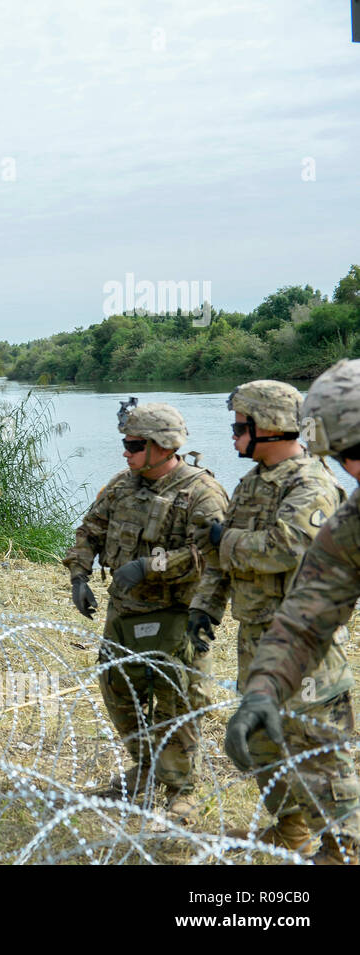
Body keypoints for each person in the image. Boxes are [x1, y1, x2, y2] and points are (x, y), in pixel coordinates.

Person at [190, 380, 347, 854]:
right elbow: (223, 559)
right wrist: (204, 607)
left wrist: (225, 540)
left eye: (241, 427)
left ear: (271, 427)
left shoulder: (311, 484)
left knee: (316, 752)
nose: (234, 436)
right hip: (255, 634)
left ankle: (344, 849)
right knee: (263, 744)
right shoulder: (254, 483)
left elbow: (288, 545)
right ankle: (292, 831)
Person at [63, 399, 228, 819]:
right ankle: (147, 768)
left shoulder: (201, 493)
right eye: (125, 442)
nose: (126, 451)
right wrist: (79, 576)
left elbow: (211, 554)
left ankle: (181, 789)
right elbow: (89, 530)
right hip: (124, 612)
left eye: (134, 444)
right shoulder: (122, 485)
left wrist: (149, 566)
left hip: (176, 613)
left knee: (177, 699)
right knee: (120, 693)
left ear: (161, 446)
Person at [225, 360, 360, 864]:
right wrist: (264, 690)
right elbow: (308, 614)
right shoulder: (352, 522)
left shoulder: (311, 486)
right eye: (344, 456)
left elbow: (283, 547)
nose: (353, 471)